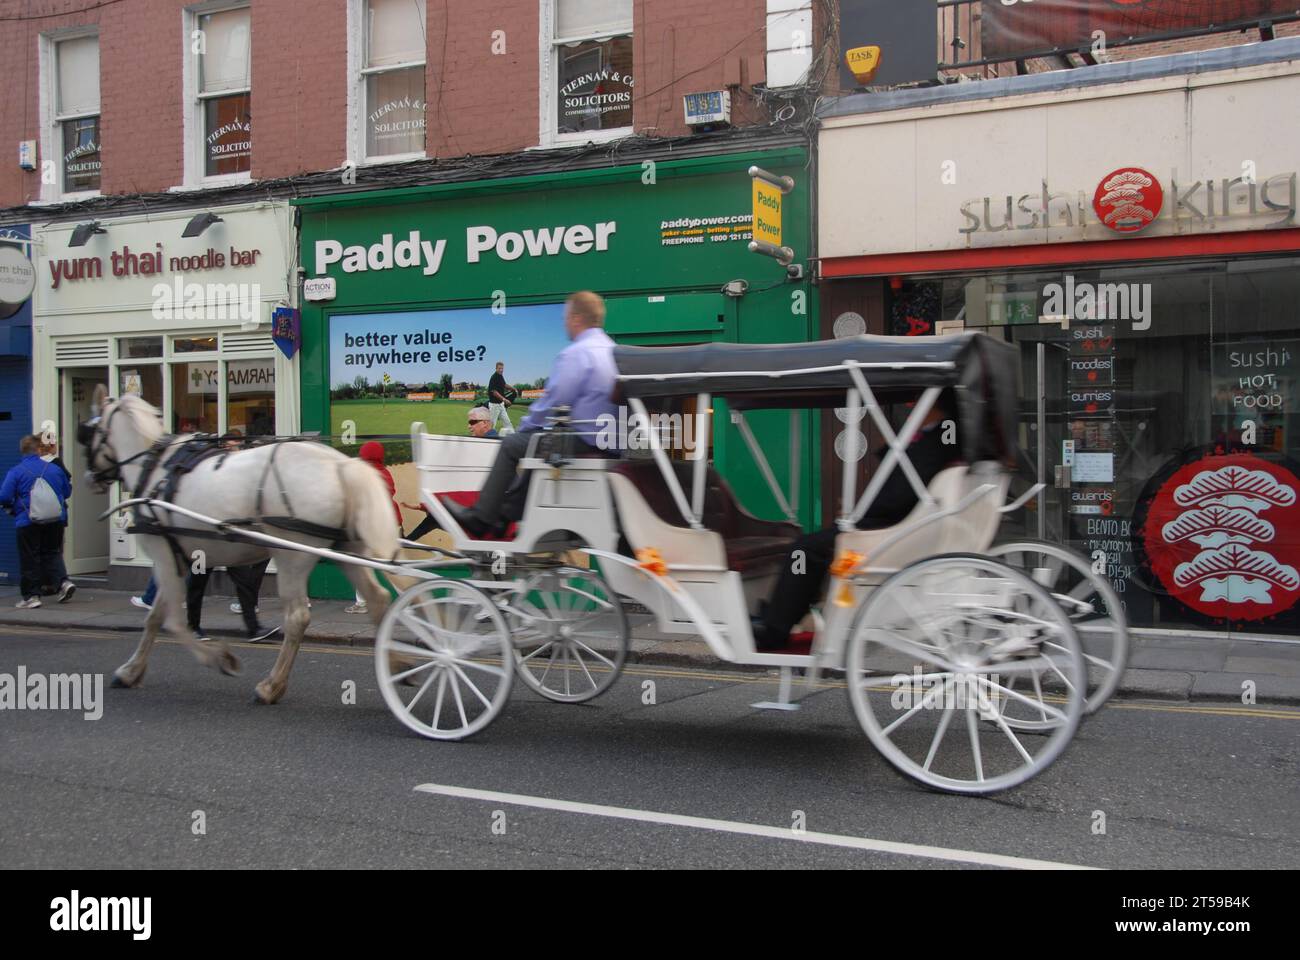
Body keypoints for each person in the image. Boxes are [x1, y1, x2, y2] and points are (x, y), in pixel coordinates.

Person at [752, 393, 962, 652]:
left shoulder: (939, 439)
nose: (910, 406)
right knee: (812, 546)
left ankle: (775, 630)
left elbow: (900, 494)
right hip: (898, 524)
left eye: (916, 401)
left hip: (888, 529)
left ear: (933, 404)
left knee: (804, 549)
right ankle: (784, 613)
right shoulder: (943, 436)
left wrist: (859, 516)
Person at [445, 291, 618, 538]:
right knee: (541, 444)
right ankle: (505, 516)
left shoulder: (577, 353)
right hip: (607, 442)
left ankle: (481, 517)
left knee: (513, 444)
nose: (565, 323)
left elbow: (553, 400)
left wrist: (527, 426)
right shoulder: (611, 349)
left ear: (577, 318)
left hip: (584, 441)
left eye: (566, 318)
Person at [182, 429, 278, 642]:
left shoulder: (234, 470)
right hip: (204, 540)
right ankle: (192, 626)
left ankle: (253, 628)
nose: (235, 448)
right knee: (197, 583)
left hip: (228, 539)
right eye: (232, 444)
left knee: (244, 581)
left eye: (236, 444)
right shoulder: (212, 470)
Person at [402, 406, 498, 542]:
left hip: (485, 515)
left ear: (485, 423)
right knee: (436, 516)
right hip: (484, 510)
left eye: (472, 422)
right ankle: (407, 542)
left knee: (436, 517)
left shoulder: (488, 445)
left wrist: (428, 505)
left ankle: (407, 542)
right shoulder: (488, 443)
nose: (469, 427)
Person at [0, 435, 76, 608]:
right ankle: (64, 582)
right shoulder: (55, 470)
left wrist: (12, 506)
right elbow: (66, 492)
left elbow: (4, 496)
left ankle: (31, 597)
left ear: (23, 451)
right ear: (39, 449)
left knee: (30, 557)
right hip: (55, 519)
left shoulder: (16, 471)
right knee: (52, 552)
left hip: (28, 521)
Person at [346, 440, 402, 614]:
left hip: (371, 526)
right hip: (391, 523)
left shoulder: (363, 475)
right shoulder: (385, 473)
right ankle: (406, 597)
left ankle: (362, 603)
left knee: (362, 564)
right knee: (391, 564)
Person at [37, 439, 74, 597]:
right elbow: (66, 490)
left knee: (39, 550)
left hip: (35, 514)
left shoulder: (30, 465)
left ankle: (47, 584)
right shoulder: (57, 465)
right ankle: (58, 582)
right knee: (54, 549)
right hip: (57, 514)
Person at [486, 362, 516, 436]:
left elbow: (504, 385)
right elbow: (494, 392)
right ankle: (487, 439)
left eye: (502, 368)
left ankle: (513, 438)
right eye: (499, 368)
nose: (501, 370)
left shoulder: (500, 376)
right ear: (496, 368)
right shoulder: (494, 377)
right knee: (492, 426)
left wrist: (513, 389)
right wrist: (505, 400)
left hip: (501, 405)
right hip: (494, 406)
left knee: (507, 422)